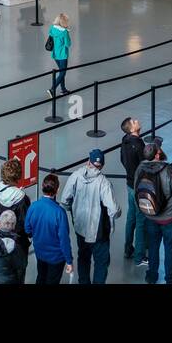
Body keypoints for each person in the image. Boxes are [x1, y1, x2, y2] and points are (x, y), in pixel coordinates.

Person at [60, 150, 119, 284]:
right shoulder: (104, 183)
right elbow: (114, 210)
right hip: (99, 232)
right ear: (102, 165)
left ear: (88, 161)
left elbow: (64, 200)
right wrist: (118, 213)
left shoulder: (75, 176)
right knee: (101, 263)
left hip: (80, 228)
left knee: (83, 257)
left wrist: (74, 212)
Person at [134, 137, 172, 284]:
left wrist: (145, 211)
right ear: (157, 155)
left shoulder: (140, 169)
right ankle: (171, 278)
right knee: (170, 249)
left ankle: (151, 276)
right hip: (168, 218)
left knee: (153, 248)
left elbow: (137, 191)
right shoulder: (167, 170)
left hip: (150, 217)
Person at [26, 173, 74, 284]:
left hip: (40, 253)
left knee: (41, 277)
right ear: (57, 191)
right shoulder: (59, 212)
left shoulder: (33, 206)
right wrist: (69, 260)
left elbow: (27, 229)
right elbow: (64, 240)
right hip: (56, 258)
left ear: (43, 188)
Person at [119, 117, 147, 265]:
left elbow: (122, 160)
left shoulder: (125, 140)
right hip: (139, 186)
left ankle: (128, 248)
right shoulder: (139, 144)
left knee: (131, 218)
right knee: (141, 220)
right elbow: (145, 165)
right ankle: (140, 256)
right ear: (132, 129)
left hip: (129, 183)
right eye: (135, 121)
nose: (137, 120)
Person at [0, 158, 32, 256]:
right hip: (18, 240)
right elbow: (25, 221)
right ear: (18, 176)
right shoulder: (22, 198)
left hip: (1, 234)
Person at [46, 12, 72, 97]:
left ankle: (63, 89)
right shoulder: (64, 32)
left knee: (61, 71)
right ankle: (52, 89)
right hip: (63, 55)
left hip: (55, 54)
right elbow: (68, 44)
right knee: (62, 73)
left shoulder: (52, 28)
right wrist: (67, 32)